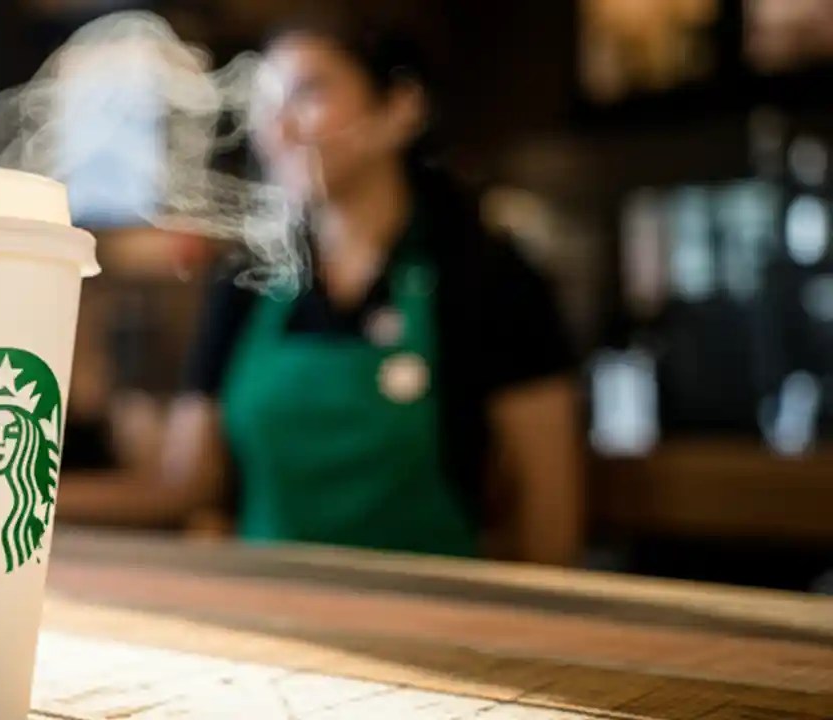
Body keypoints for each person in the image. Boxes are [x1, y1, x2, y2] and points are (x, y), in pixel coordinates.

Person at [59, 9, 583, 564]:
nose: (278, 130)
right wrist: (16, 500)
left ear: (400, 109)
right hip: (264, 615)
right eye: (267, 105)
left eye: (308, 94)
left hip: (436, 622)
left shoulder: (490, 279)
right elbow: (186, 485)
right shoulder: (247, 280)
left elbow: (548, 526)